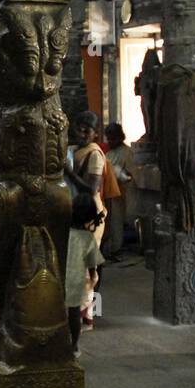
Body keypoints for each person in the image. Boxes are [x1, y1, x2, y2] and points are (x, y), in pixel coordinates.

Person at [66, 111, 106, 328]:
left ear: (96, 133)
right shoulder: (75, 150)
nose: (82, 132)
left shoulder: (95, 154)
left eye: (87, 129)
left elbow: (92, 188)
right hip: (76, 211)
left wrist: (70, 173)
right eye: (79, 127)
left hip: (90, 214)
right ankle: (81, 312)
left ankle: (87, 316)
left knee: (87, 267)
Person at [66, 192, 105, 358]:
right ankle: (73, 346)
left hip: (58, 278)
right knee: (74, 315)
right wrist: (94, 276)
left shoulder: (62, 232)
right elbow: (92, 265)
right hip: (76, 281)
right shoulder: (87, 238)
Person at [101, 122, 133, 260]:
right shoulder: (109, 153)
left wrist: (119, 173)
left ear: (121, 137)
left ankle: (116, 248)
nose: (110, 142)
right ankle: (108, 248)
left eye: (113, 139)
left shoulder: (127, 152)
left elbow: (130, 175)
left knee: (116, 222)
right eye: (109, 139)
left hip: (120, 193)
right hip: (107, 193)